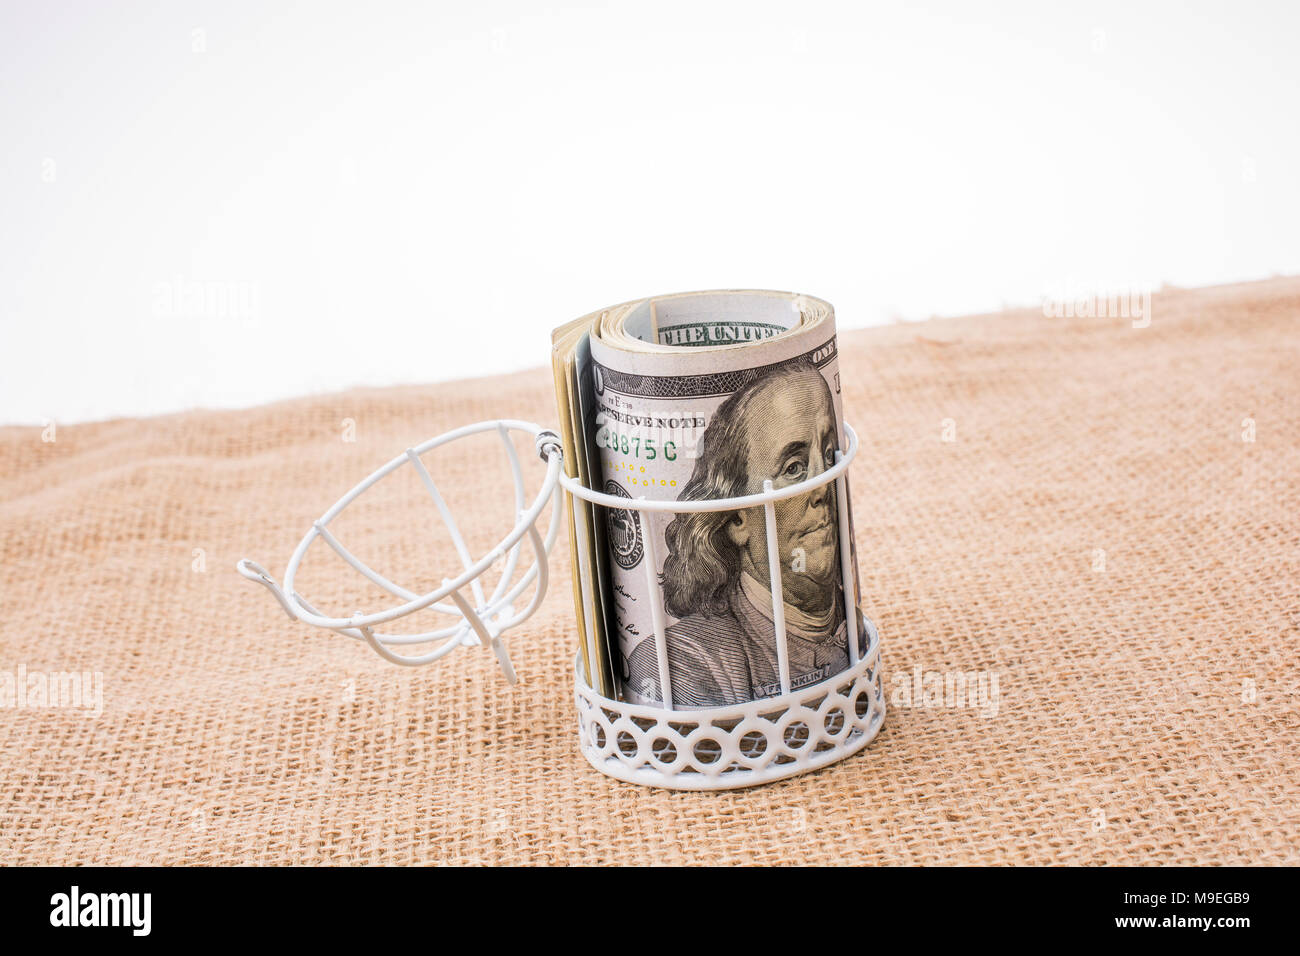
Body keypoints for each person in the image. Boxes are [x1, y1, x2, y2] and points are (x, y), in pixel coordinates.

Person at [626, 361, 861, 706]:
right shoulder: (678, 663)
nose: (822, 487)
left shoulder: (851, 621)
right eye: (793, 468)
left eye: (828, 456)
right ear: (737, 519)